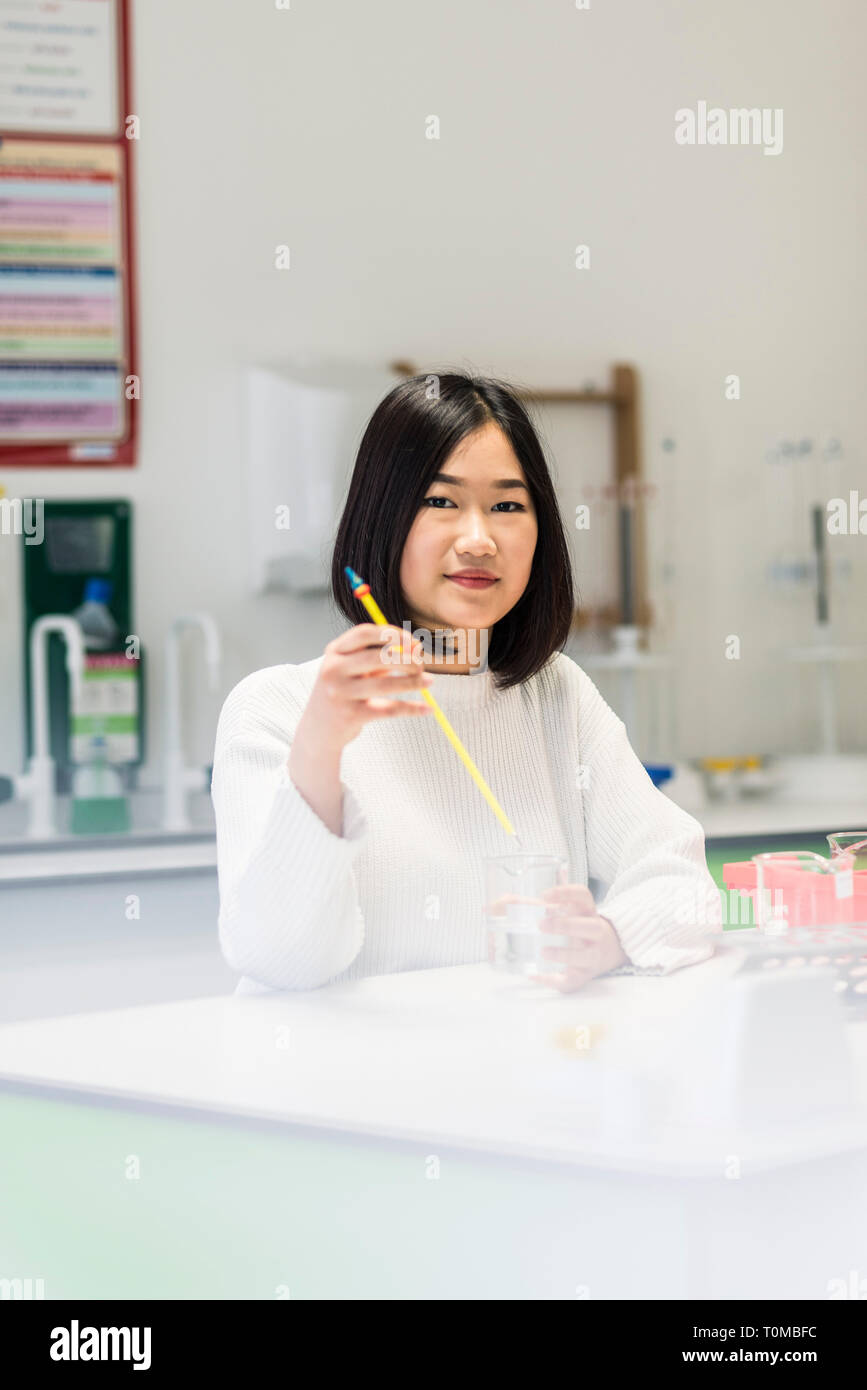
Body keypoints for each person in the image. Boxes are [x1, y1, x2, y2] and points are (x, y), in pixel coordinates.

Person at [211, 371, 721, 995]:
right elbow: (283, 959)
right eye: (441, 501)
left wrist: (607, 938)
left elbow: (683, 884)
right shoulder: (275, 707)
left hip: (520, 1077)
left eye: (508, 506)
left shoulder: (554, 694)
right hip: (343, 1085)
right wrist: (319, 748)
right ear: (382, 518)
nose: (478, 541)